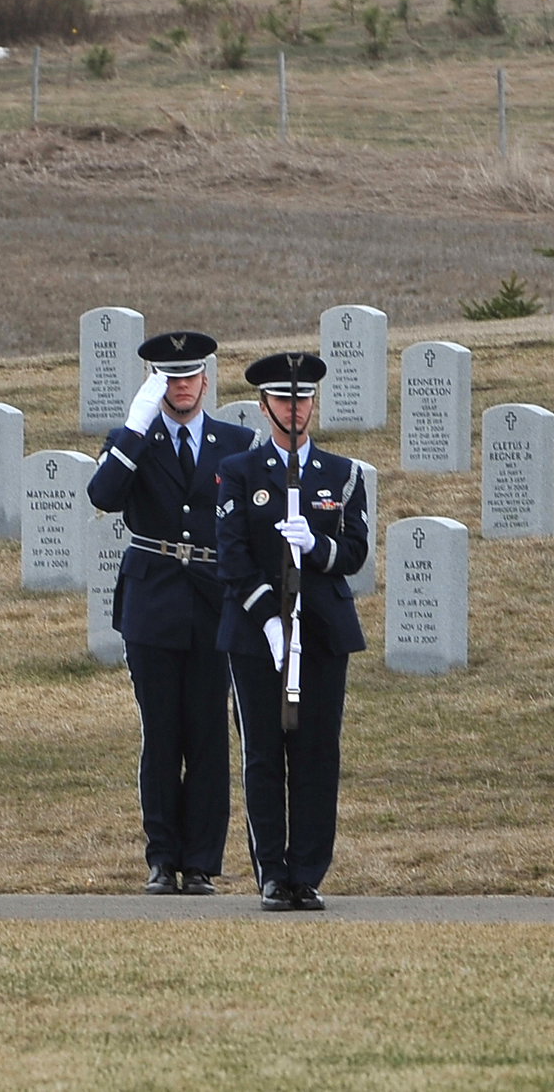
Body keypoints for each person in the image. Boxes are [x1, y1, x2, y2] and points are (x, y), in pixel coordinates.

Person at [87, 331, 256, 895]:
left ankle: (201, 862)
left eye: (189, 377)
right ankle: (161, 857)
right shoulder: (133, 439)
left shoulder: (237, 441)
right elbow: (104, 495)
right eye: (168, 378)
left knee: (208, 732)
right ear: (153, 383)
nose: (181, 387)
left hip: (214, 597)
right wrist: (134, 431)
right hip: (153, 597)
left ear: (205, 380)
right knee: (160, 734)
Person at [216, 352, 369, 912]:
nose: (295, 408)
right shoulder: (238, 472)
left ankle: (307, 871)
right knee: (263, 752)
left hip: (325, 631)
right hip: (256, 633)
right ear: (263, 406)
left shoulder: (343, 474)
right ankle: (272, 874)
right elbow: (231, 557)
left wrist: (317, 547)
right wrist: (271, 621)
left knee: (316, 753)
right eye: (283, 399)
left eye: (302, 398)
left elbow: (354, 551)